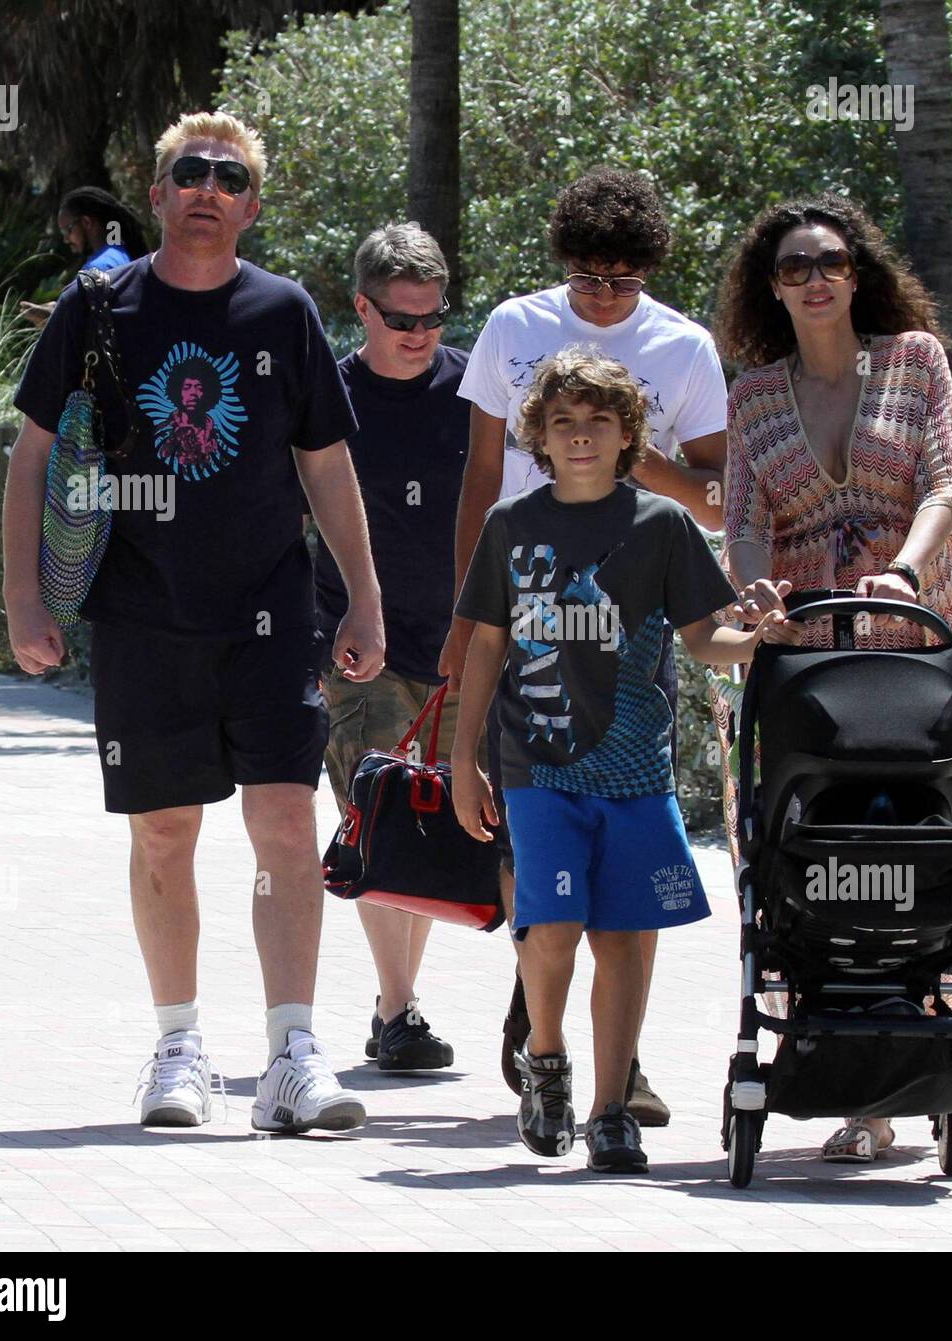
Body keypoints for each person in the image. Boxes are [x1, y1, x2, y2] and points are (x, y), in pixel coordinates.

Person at [3, 111, 386, 1134]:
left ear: (250, 205)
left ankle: (293, 1056)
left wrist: (363, 595)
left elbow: (325, 464)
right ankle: (177, 1047)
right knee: (165, 831)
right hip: (142, 614)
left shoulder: (283, 311)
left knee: (286, 822)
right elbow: (34, 454)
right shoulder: (99, 305)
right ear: (159, 192)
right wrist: (23, 597)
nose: (207, 188)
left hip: (270, 610)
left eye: (229, 177)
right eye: (189, 173)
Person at [442, 167, 730, 1126]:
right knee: (535, 853)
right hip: (522, 626)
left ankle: (614, 1065)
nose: (604, 295)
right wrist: (463, 617)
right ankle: (541, 1022)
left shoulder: (683, 347)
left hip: (631, 641)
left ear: (651, 270)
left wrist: (631, 456)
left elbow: (716, 499)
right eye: (587, 275)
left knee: (624, 894)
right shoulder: (512, 327)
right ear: (562, 258)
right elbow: (481, 474)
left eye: (624, 279)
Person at [450, 349, 784, 1172]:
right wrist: (463, 756)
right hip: (536, 766)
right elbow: (487, 644)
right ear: (538, 436)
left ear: (629, 432)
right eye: (563, 421)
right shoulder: (511, 524)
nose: (581, 435)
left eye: (599, 420)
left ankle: (610, 1111)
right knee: (552, 929)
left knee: (623, 939)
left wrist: (758, 639)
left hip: (636, 770)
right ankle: (547, 1060)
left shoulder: (661, 525)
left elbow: (705, 638)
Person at [717, 191, 952, 1163]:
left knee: (911, 840)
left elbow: (950, 483)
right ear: (772, 288)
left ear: (857, 274)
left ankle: (908, 1053)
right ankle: (835, 1057)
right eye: (795, 267)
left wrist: (905, 565)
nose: (815, 279)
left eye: (830, 262)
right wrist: (752, 591)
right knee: (803, 849)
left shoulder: (913, 361)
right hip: (805, 658)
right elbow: (743, 519)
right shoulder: (754, 395)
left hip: (910, 647)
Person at [314, 222, 472, 1071]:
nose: (419, 333)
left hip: (459, 646)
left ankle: (393, 1007)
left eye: (433, 316)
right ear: (362, 309)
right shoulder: (328, 397)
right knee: (378, 816)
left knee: (433, 825)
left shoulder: (476, 392)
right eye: (401, 318)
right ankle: (400, 1004)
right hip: (356, 646)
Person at [21, 187, 150, 328]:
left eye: (67, 230)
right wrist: (60, 308)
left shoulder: (99, 267)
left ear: (87, 222)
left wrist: (53, 317)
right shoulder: (119, 254)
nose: (65, 239)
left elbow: (91, 328)